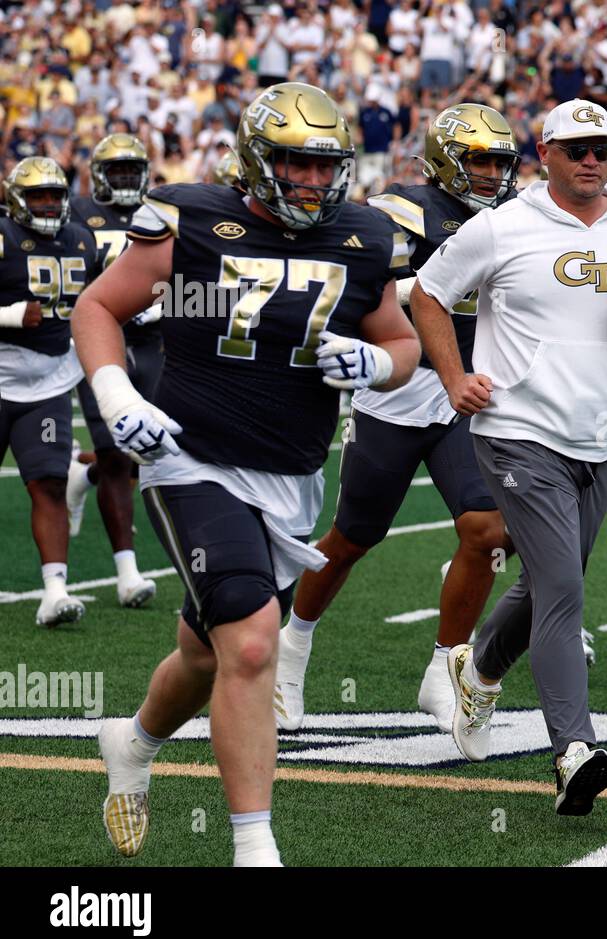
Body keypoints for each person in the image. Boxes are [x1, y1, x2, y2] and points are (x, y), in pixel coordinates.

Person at [71, 83, 419, 865]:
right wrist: (115, 389)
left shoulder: (364, 236)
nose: (310, 180)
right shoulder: (188, 218)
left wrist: (380, 364)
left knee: (207, 653)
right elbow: (98, 308)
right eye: (294, 161)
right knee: (254, 643)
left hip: (292, 475)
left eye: (323, 165)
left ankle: (131, 743)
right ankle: (255, 847)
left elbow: (401, 342)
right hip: (191, 457)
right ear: (259, 160)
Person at [410, 98, 607, 815]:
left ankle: (476, 676)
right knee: (565, 590)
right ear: (546, 155)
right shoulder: (502, 224)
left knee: (547, 583)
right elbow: (426, 294)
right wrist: (454, 379)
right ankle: (573, 749)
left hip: (600, 437)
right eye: (576, 149)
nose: (592, 159)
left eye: (601, 147)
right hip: (516, 430)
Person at [273, 103, 526, 733]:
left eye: (501, 160)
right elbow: (371, 285)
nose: (493, 173)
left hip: (466, 393)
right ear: (445, 161)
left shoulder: (521, 218)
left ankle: (444, 668)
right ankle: (291, 648)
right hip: (398, 390)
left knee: (489, 529)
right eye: (479, 160)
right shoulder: (402, 211)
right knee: (354, 537)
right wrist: (434, 284)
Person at [0, 157, 98, 627]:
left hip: (48, 381)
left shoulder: (81, 239)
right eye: (37, 195)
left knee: (49, 483)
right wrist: (10, 316)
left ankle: (55, 591)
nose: (47, 204)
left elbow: (97, 303)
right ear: (17, 199)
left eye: (55, 195)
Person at [65, 134, 160, 609]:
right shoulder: (79, 211)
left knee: (156, 447)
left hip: (154, 341)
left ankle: (84, 476)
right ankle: (127, 571)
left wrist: (169, 306)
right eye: (116, 170)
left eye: (131, 170)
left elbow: (179, 274)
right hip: (101, 340)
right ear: (98, 175)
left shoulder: (161, 210)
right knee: (117, 452)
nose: (125, 178)